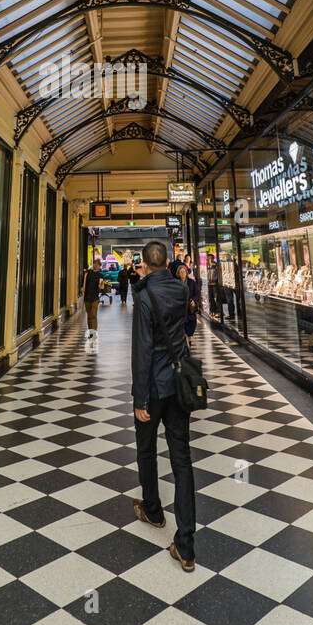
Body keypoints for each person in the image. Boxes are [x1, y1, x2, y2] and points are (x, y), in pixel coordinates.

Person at [130, 239, 197, 572]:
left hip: (154, 387)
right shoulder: (182, 290)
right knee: (181, 456)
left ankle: (153, 511)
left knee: (146, 449)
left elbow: (142, 349)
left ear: (144, 263)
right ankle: (186, 545)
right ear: (168, 261)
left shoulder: (144, 296)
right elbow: (183, 330)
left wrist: (139, 397)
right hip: (179, 384)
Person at [177, 263, 199, 346]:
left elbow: (197, 293)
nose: (182, 274)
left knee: (192, 324)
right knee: (184, 325)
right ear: (178, 273)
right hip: (181, 308)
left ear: (186, 272)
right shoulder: (176, 283)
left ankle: (189, 338)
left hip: (190, 307)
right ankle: (186, 340)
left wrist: (194, 300)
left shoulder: (192, 282)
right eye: (181, 272)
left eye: (184, 272)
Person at [81, 257, 104, 338]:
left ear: (99, 266)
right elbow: (83, 282)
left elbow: (101, 287)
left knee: (93, 315)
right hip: (87, 297)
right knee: (89, 315)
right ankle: (90, 330)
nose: (95, 265)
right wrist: (82, 288)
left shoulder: (100, 275)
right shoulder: (88, 273)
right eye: (94, 264)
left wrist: (101, 285)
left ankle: (93, 332)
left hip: (95, 298)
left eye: (97, 264)